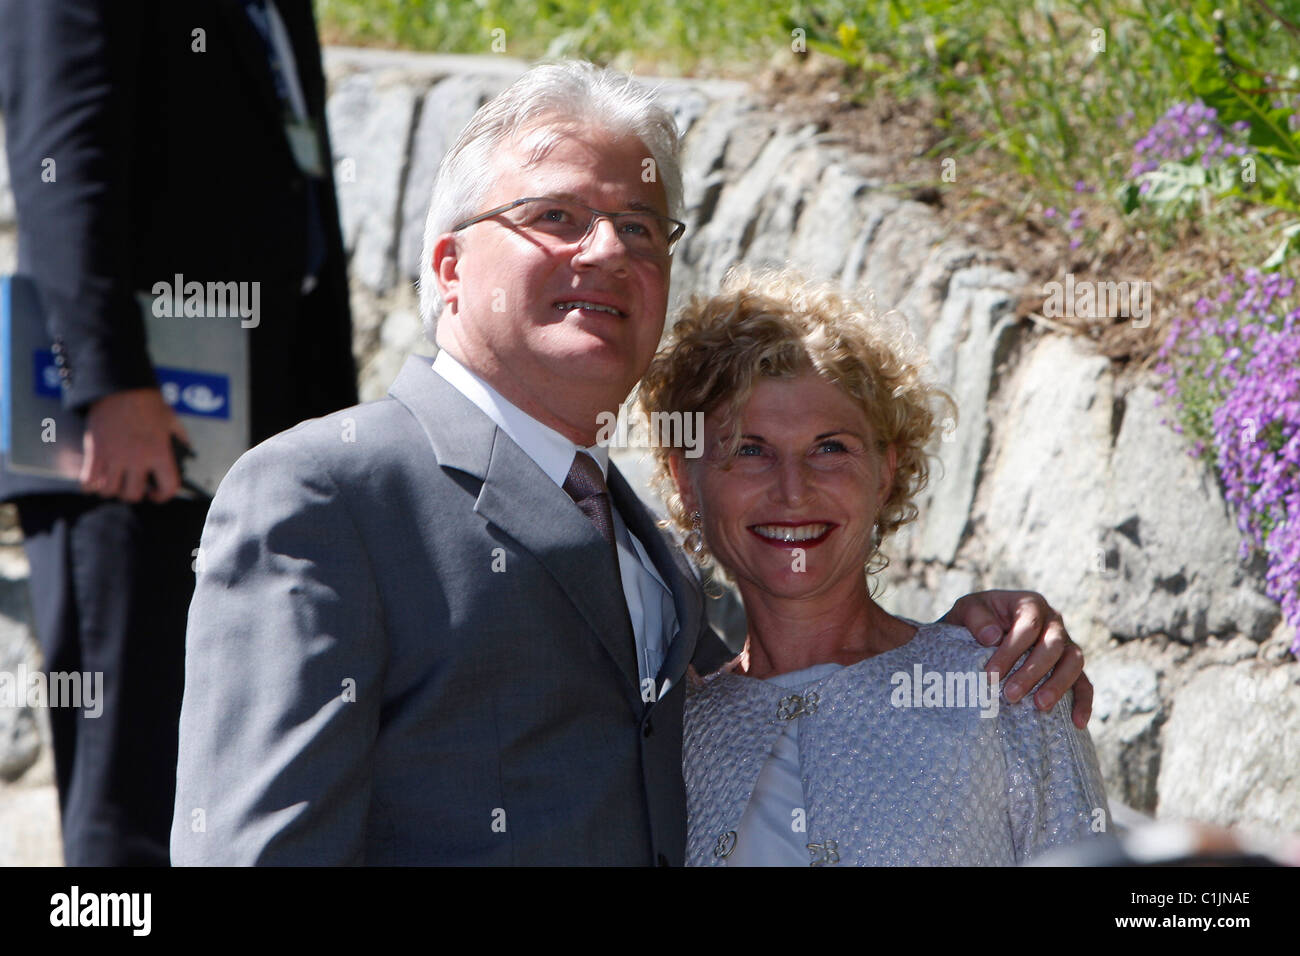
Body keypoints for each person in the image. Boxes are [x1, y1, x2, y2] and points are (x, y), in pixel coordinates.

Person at [171, 60, 1091, 866]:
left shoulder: (647, 554)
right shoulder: (325, 492)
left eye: (641, 228)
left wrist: (986, 633)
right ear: (449, 267)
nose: (607, 249)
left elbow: (796, 685)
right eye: (557, 215)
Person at [0, 0, 357, 865]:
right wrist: (108, 385)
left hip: (263, 414)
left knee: (235, 754)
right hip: (134, 432)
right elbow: (61, 159)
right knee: (129, 781)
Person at [638, 268, 1110, 865]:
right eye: (749, 450)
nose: (793, 489)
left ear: (885, 473)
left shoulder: (1006, 684)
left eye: (831, 448)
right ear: (687, 481)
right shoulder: (668, 736)